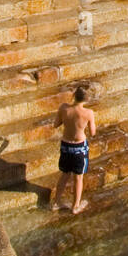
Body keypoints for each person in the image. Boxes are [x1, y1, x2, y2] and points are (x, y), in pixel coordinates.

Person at [51, 85, 96, 214]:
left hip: (66, 146)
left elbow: (55, 124)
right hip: (79, 148)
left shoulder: (64, 108)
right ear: (86, 99)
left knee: (64, 175)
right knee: (78, 178)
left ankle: (56, 202)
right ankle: (75, 206)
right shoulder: (88, 113)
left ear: (74, 96)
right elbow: (92, 133)